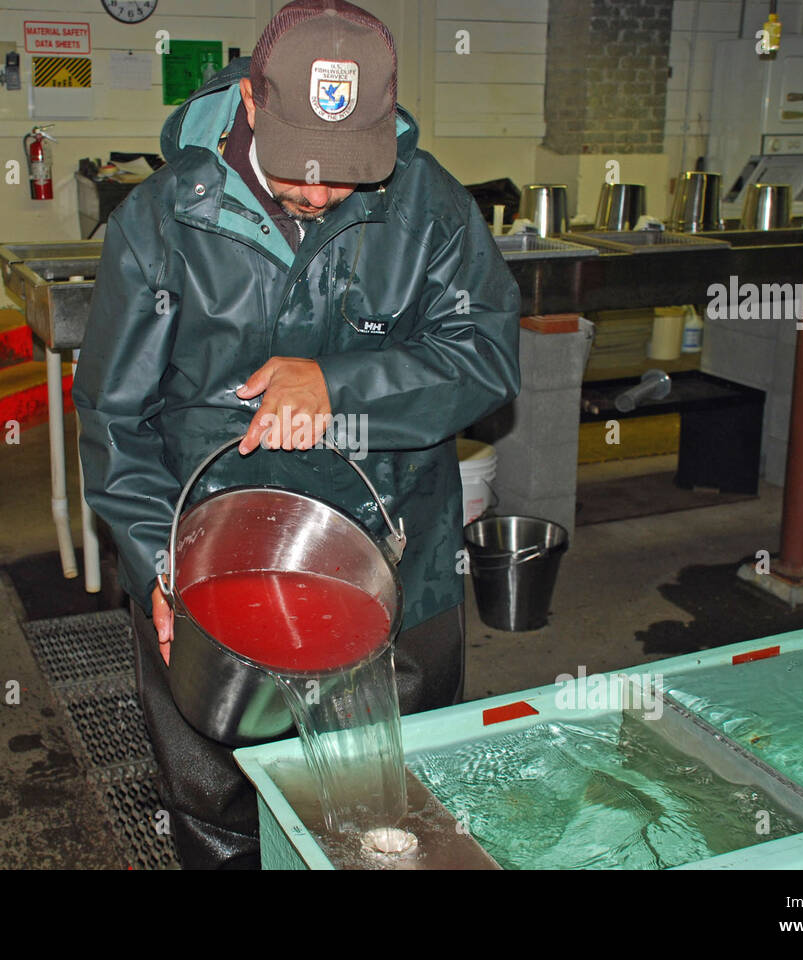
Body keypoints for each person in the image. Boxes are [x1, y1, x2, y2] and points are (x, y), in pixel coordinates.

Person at [73, 0, 520, 869]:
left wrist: (340, 385)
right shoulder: (162, 221)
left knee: (397, 805)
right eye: (298, 166)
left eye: (347, 171)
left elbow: (486, 359)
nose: (317, 193)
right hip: (212, 560)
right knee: (217, 803)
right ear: (250, 102)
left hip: (393, 552)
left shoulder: (426, 205)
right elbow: (114, 418)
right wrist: (163, 564)